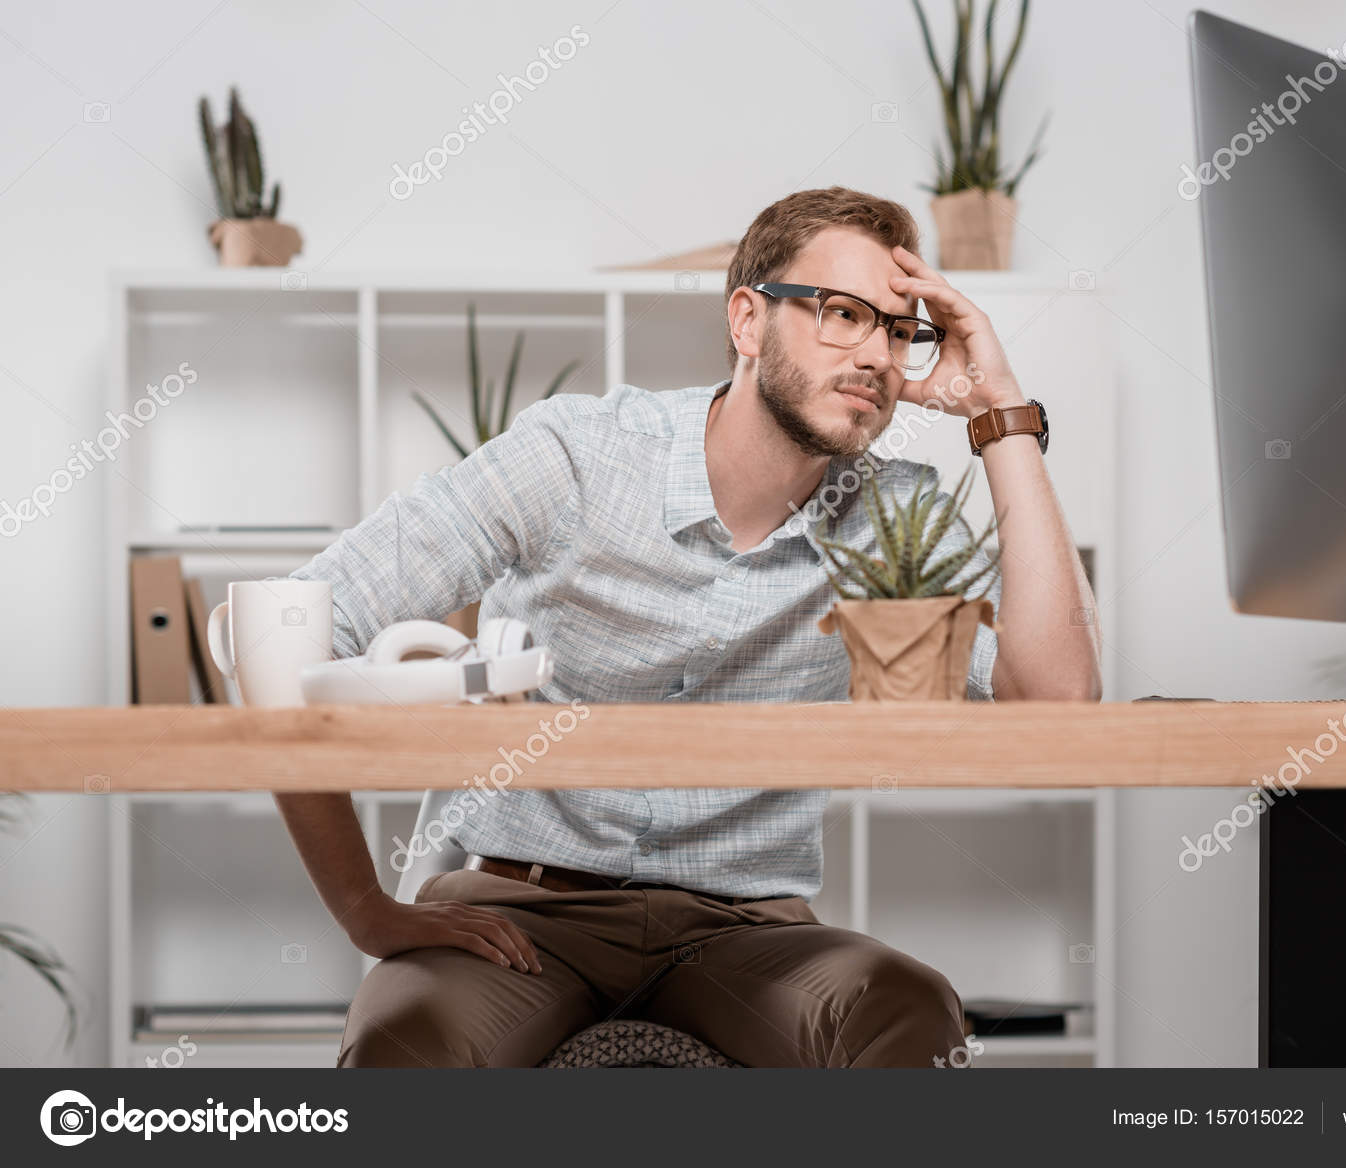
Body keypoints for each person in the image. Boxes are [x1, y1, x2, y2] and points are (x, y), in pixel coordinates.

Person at [283, 185, 1101, 1068]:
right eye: (841, 314)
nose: (877, 354)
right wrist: (365, 909)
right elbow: (292, 634)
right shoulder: (576, 456)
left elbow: (1057, 696)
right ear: (748, 321)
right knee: (403, 1046)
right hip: (522, 912)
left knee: (911, 1012)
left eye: (901, 331)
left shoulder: (890, 518)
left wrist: (1001, 412)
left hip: (747, 933)